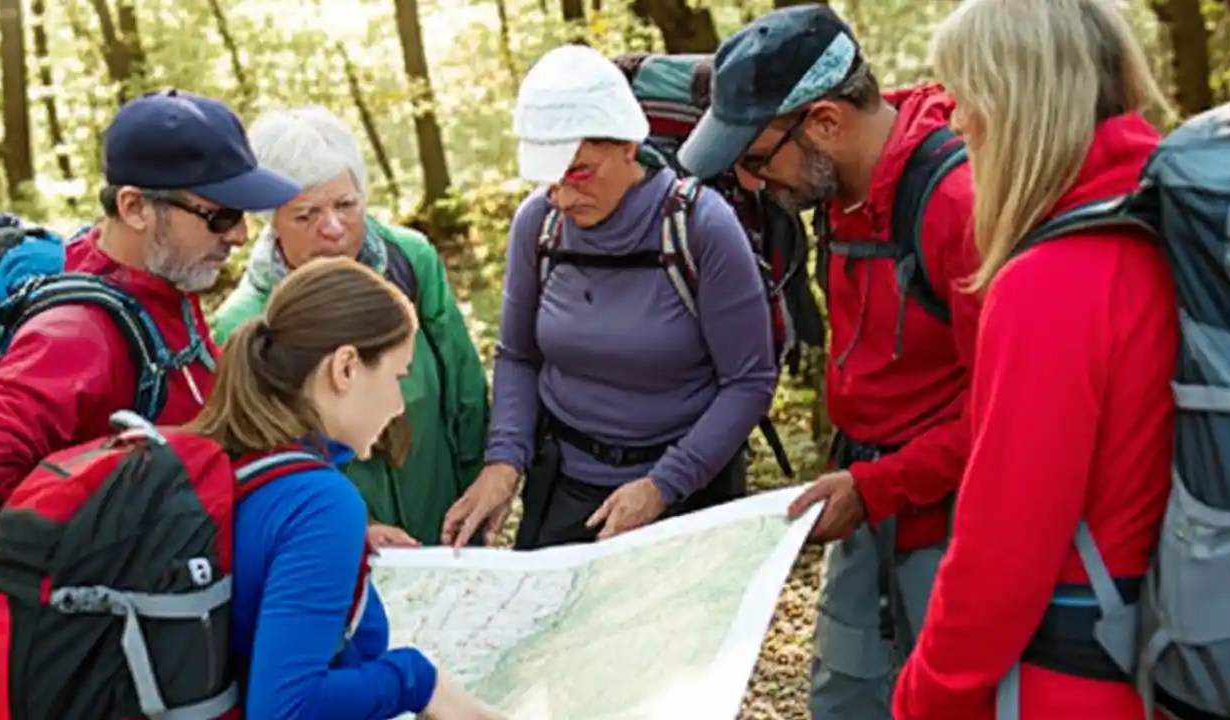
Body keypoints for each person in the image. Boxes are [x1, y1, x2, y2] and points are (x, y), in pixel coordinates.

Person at [677, 6, 980, 718]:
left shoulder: (954, 207)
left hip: (952, 521)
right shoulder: (835, 194)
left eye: (754, 159)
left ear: (825, 122)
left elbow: (1011, 412)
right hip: (867, 506)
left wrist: (878, 485)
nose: (749, 183)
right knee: (844, 698)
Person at [891, 1, 1177, 718]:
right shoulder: (1166, 222)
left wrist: (924, 697)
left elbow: (1003, 555)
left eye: (966, 97)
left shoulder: (1053, 281)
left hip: (1079, 678)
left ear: (1016, 101)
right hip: (1181, 649)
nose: (956, 123)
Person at [441, 44, 779, 550]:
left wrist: (663, 486)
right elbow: (518, 355)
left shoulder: (699, 226)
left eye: (579, 171)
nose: (564, 196)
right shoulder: (540, 226)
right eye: (550, 178)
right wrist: (504, 462)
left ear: (627, 145)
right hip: (566, 483)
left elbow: (749, 380)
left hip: (690, 488)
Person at [189, 256, 504, 719]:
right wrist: (418, 681)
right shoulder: (318, 504)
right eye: (398, 376)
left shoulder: (237, 456)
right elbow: (286, 710)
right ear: (346, 368)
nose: (399, 406)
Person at [0, 89, 300, 508]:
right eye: (221, 216)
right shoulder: (76, 335)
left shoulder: (167, 286)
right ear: (135, 207)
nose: (239, 235)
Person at [210, 105, 489, 548]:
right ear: (271, 223)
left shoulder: (410, 261)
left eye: (346, 205)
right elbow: (258, 466)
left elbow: (465, 391)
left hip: (448, 531)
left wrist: (479, 487)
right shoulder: (244, 323)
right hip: (346, 550)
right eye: (306, 215)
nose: (334, 228)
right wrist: (354, 533)